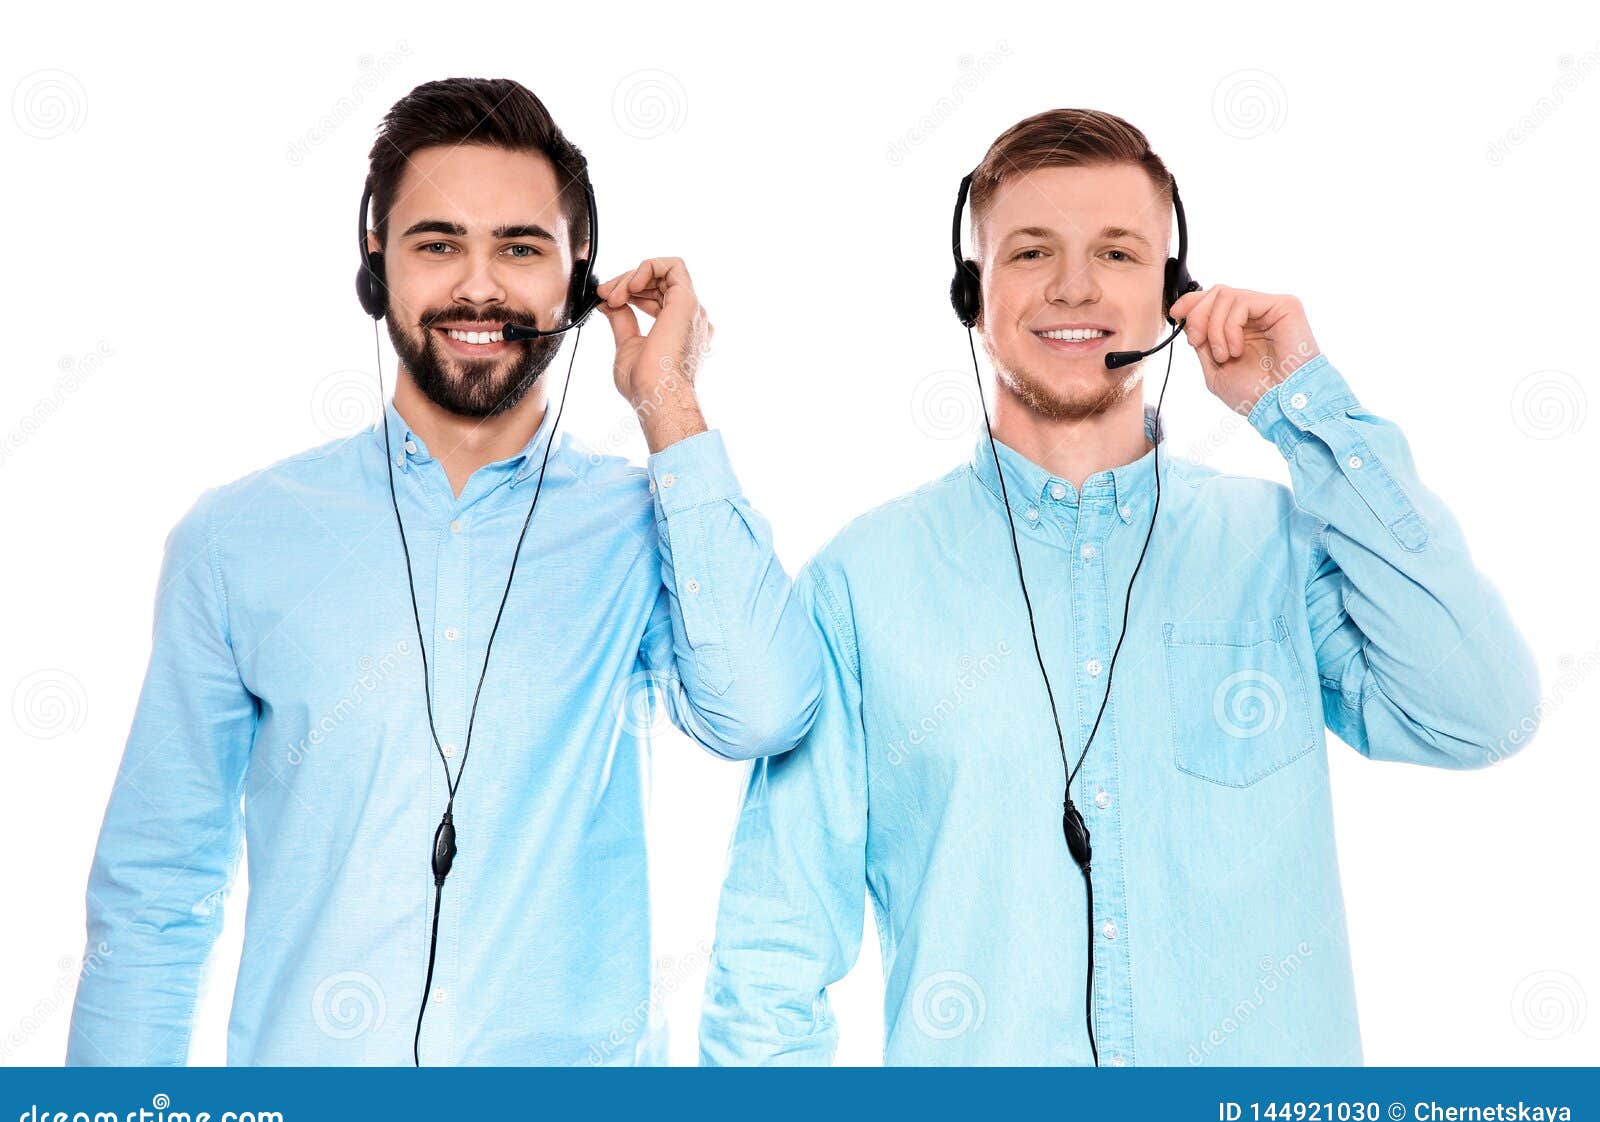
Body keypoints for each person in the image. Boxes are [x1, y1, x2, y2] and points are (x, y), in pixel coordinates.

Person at [698, 108, 1539, 1066]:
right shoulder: (862, 581)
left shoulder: (1280, 546)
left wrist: (1302, 406)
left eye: (1119, 253)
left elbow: (1483, 715)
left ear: (1173, 294)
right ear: (969, 293)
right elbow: (772, 957)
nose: (1074, 286)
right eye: (1028, 252)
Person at [68, 77, 820, 1066]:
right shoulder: (237, 539)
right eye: (437, 243)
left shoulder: (649, 522)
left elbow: (764, 712)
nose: (479, 287)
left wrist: (669, 401)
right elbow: (157, 893)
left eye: (519, 246)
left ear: (578, 277)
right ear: (375, 267)